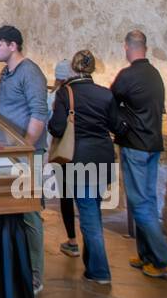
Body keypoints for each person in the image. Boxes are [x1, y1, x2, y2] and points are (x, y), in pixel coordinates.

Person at [0, 24, 49, 293]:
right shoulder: (6, 72)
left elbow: (39, 114)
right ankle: (16, 264)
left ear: (13, 46)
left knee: (29, 214)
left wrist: (25, 148)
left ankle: (35, 274)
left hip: (24, 154)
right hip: (7, 152)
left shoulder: (30, 73)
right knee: (13, 212)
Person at [48, 50, 119, 284]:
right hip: (103, 156)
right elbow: (115, 125)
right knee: (93, 209)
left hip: (80, 158)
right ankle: (92, 263)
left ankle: (99, 271)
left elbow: (57, 128)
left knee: (89, 214)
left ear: (74, 67)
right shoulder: (105, 94)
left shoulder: (65, 94)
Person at [110, 29, 167, 278]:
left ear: (127, 47)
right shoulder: (155, 75)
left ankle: (162, 260)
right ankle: (146, 254)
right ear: (145, 48)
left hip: (135, 145)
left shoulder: (127, 76)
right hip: (153, 144)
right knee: (147, 199)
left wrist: (119, 126)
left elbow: (111, 103)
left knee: (140, 204)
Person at [48, 59, 80, 259]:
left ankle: (73, 240)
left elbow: (55, 126)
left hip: (64, 150)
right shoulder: (91, 93)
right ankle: (93, 240)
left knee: (66, 197)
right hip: (86, 151)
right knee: (87, 200)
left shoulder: (57, 95)